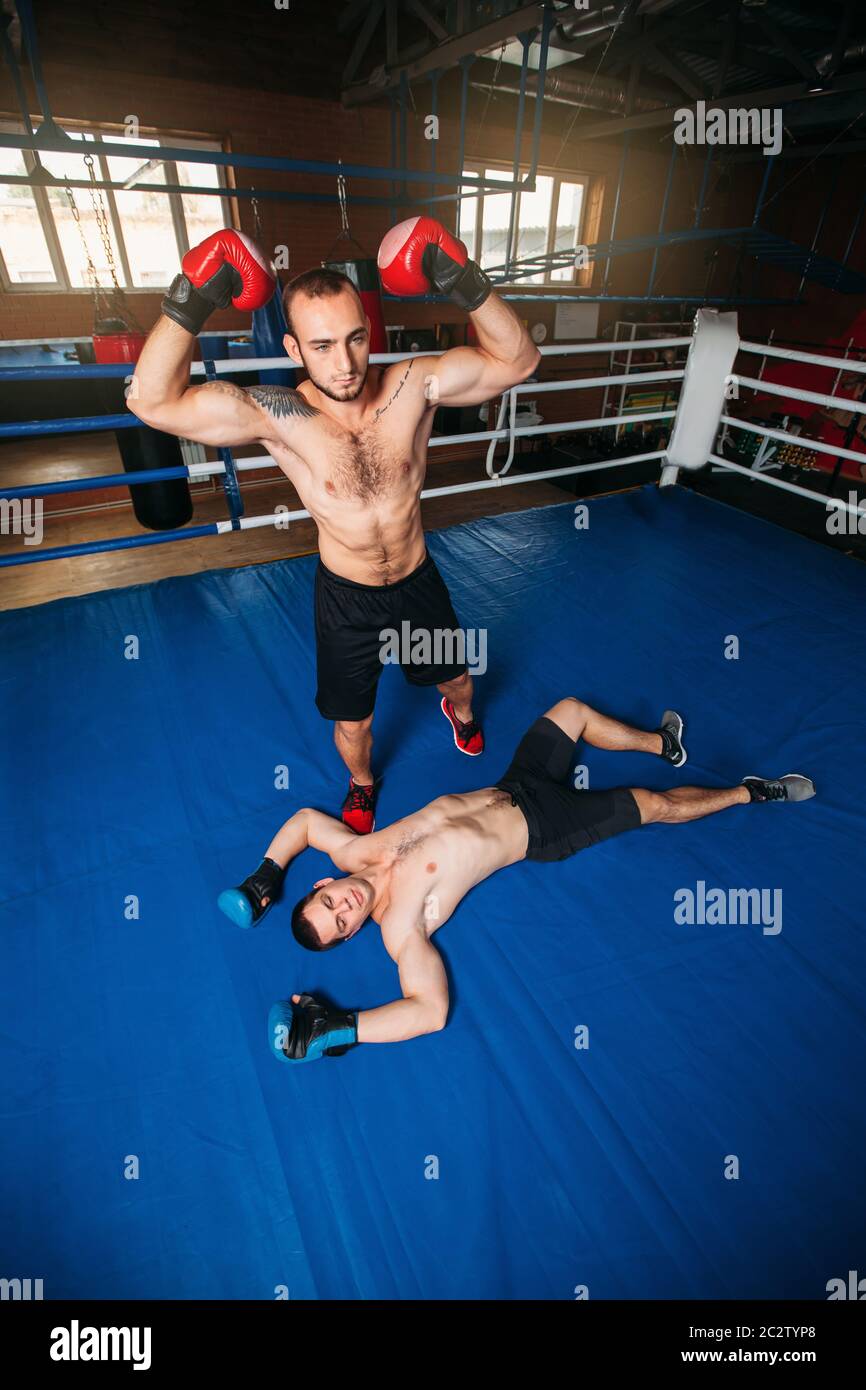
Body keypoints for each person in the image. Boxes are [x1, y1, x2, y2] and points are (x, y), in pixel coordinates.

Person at [129, 221, 540, 832]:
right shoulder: (280, 415)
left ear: (369, 329)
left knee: (457, 680)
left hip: (417, 582)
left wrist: (459, 275)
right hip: (347, 601)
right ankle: (363, 781)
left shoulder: (412, 386)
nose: (344, 363)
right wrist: (197, 293)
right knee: (354, 724)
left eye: (354, 339)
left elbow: (519, 359)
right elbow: (151, 402)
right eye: (322, 346)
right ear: (294, 349)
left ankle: (459, 714)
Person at [214, 700, 815, 1063]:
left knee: (573, 710)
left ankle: (663, 742)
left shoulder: (351, 848)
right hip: (547, 827)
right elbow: (429, 1011)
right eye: (342, 924)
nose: (345, 908)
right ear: (349, 937)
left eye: (330, 904)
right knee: (653, 805)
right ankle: (751, 791)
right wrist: (341, 1030)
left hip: (515, 782)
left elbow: (301, 824)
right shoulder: (402, 929)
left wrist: (263, 881)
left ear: (321, 885)